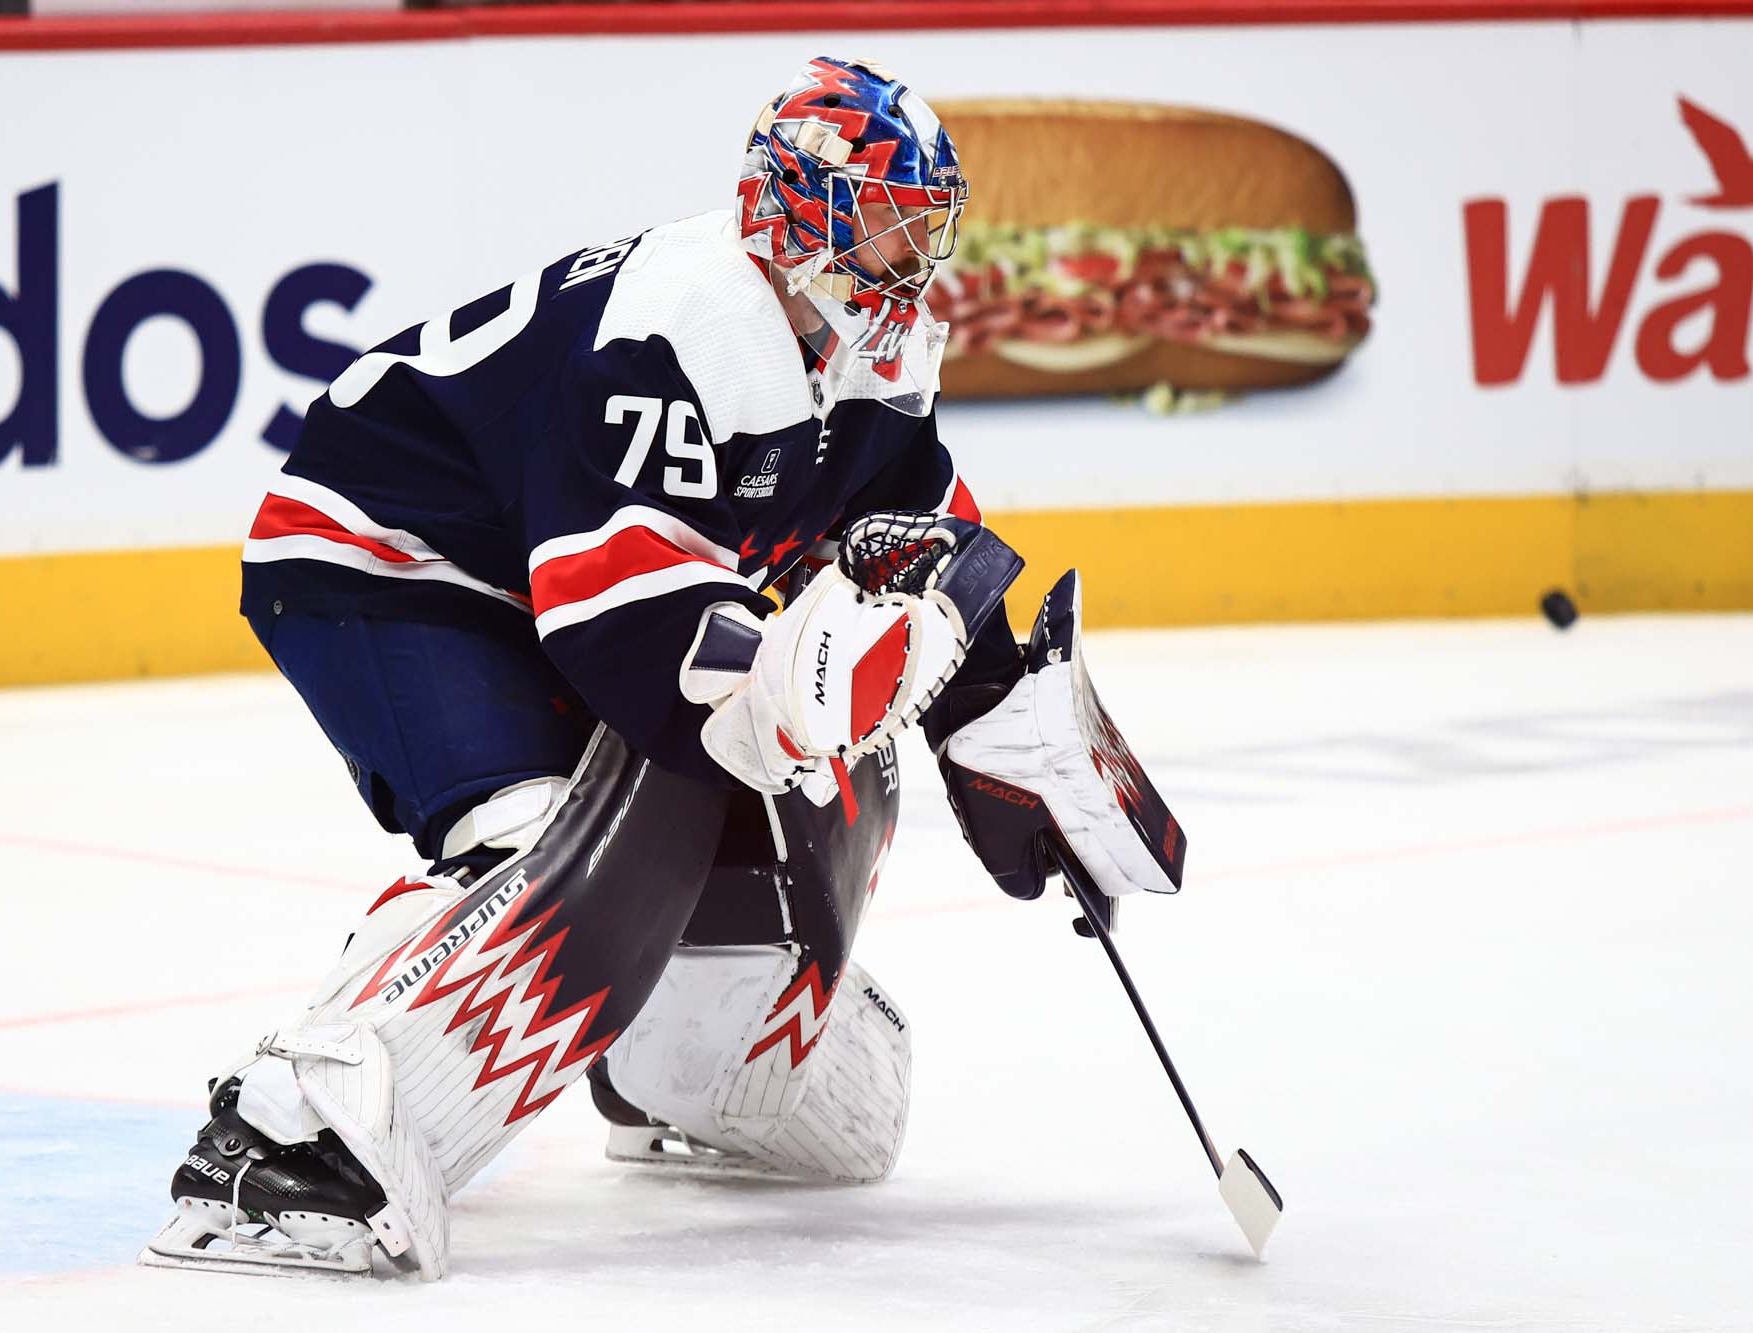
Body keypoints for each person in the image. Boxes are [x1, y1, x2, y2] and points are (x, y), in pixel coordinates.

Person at [140, 56, 1179, 1282]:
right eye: (885, 214)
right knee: (546, 828)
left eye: (923, 220)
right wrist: (802, 686)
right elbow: (628, 643)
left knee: (789, 780)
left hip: (533, 576)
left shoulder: (871, 347)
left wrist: (1002, 734)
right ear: (798, 206)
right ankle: (284, 1140)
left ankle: (692, 1071)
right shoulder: (682, 322)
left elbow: (916, 546)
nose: (911, 248)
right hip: (383, 556)